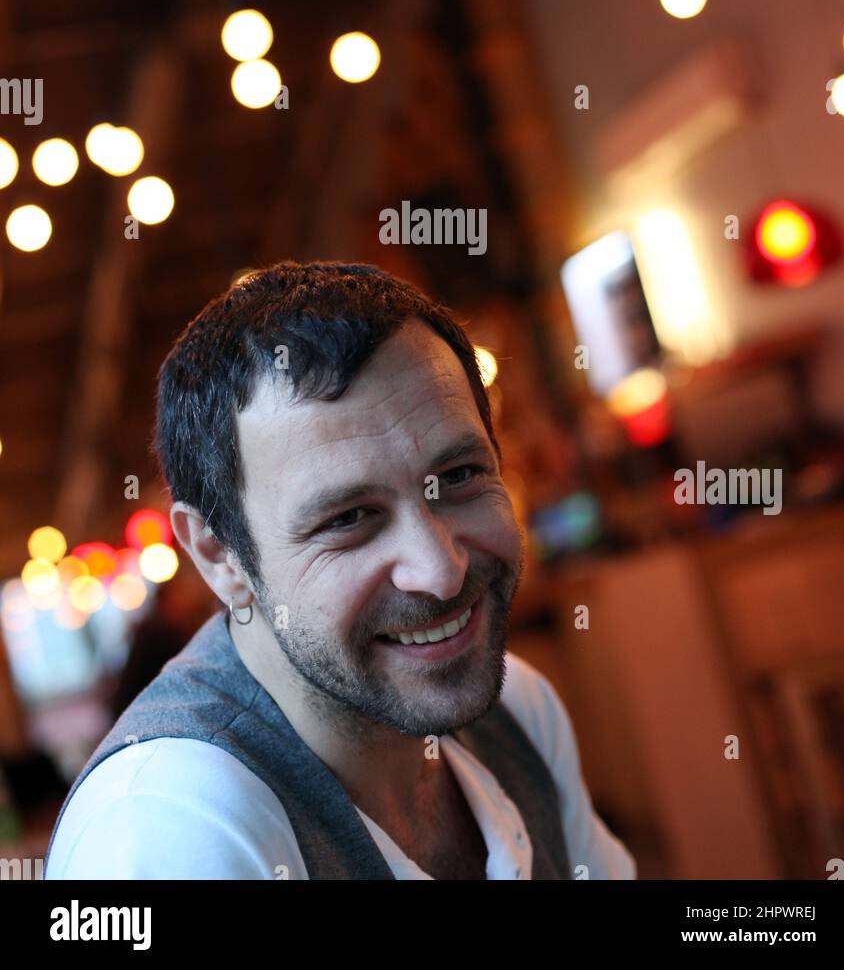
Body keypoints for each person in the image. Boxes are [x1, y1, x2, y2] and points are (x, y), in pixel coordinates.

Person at [46, 259, 636, 881]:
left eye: (460, 477)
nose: (440, 570)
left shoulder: (517, 709)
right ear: (221, 557)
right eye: (351, 517)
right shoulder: (172, 830)